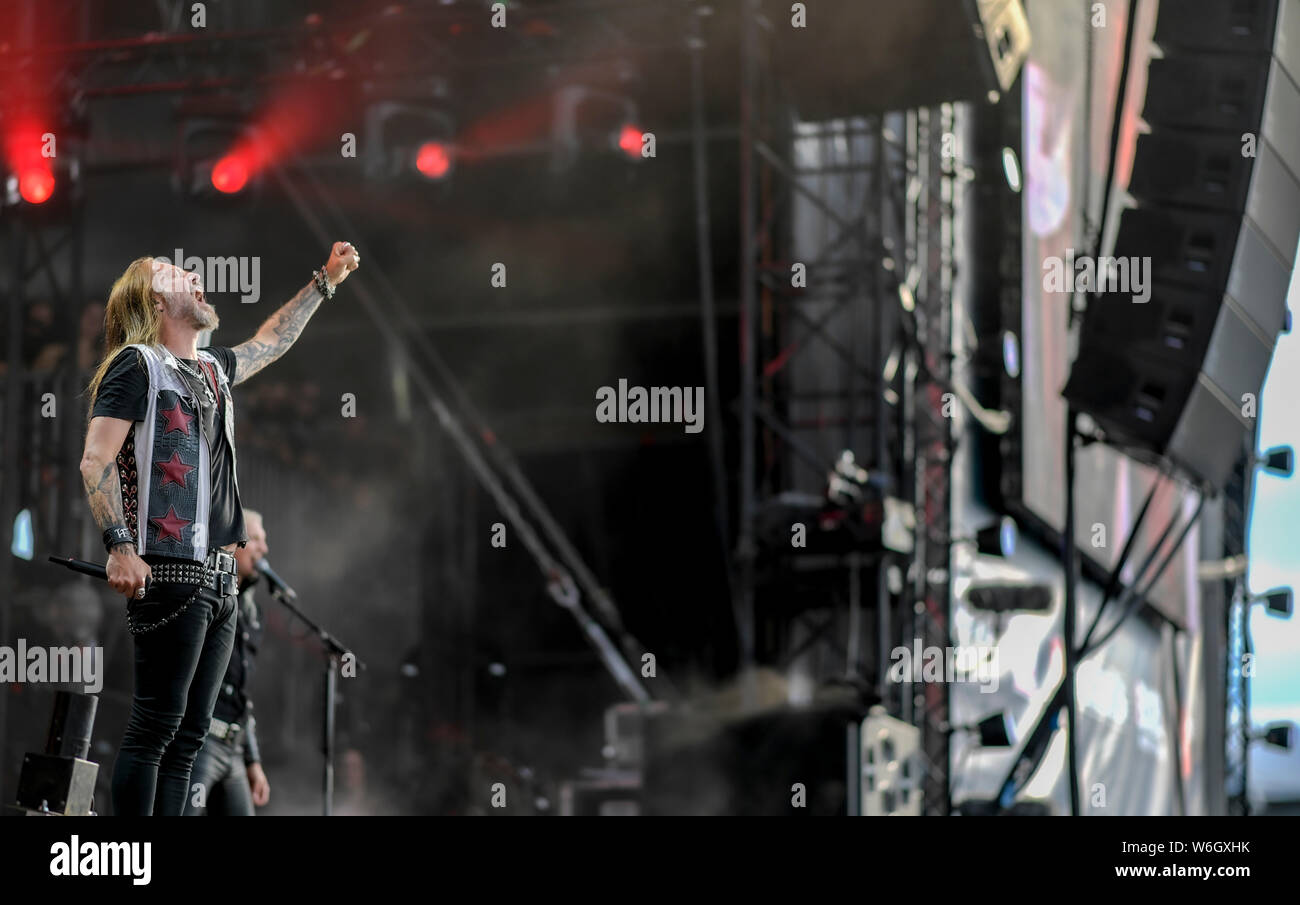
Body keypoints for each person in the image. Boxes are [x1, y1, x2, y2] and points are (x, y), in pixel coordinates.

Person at [78, 243, 360, 815]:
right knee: (156, 727)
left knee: (187, 742)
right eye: (180, 275)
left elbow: (270, 342)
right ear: (156, 300)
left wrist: (324, 283)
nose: (196, 278)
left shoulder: (210, 369)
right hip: (169, 569)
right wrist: (119, 546)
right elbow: (95, 459)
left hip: (222, 578)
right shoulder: (138, 364)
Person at [183, 509, 271, 815]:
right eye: (257, 539)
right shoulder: (208, 596)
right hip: (202, 740)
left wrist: (253, 760)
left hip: (234, 748)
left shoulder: (253, 612)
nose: (264, 549)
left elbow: (241, 693)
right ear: (236, 541)